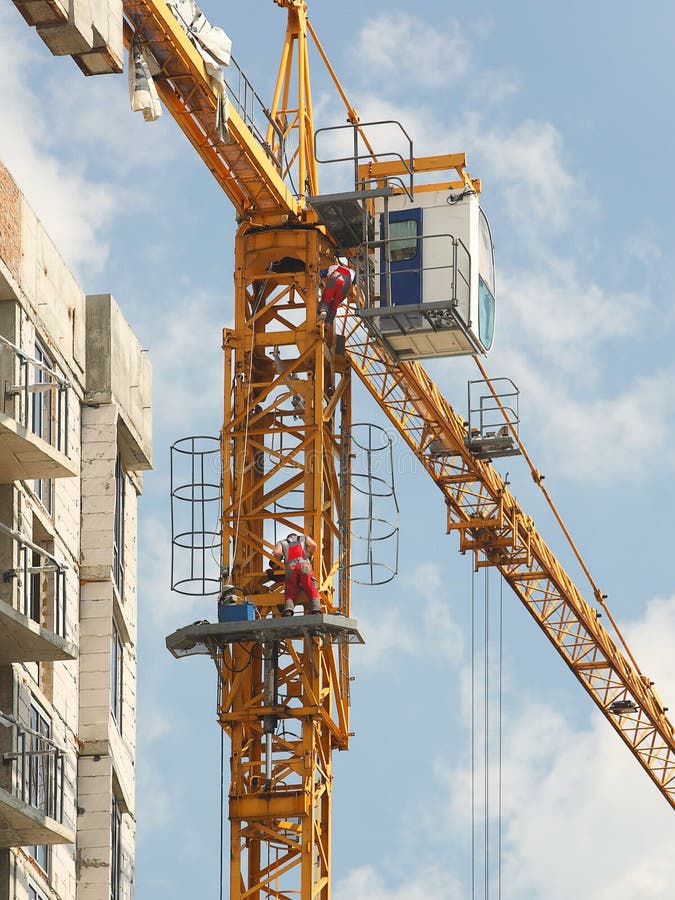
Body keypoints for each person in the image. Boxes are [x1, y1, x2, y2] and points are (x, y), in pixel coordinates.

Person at [272, 532, 322, 616]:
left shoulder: (282, 542)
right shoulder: (303, 538)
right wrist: (310, 555)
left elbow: (276, 553)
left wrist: (280, 558)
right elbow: (313, 545)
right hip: (304, 565)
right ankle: (316, 609)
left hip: (290, 568)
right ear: (296, 536)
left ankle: (288, 610)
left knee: (290, 590)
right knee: (311, 586)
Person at [317, 260, 356, 325]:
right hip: (345, 285)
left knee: (327, 297)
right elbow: (354, 283)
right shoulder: (352, 272)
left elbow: (321, 274)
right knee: (335, 304)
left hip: (334, 279)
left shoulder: (333, 267)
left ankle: (323, 311)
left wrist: (319, 281)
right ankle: (328, 324)